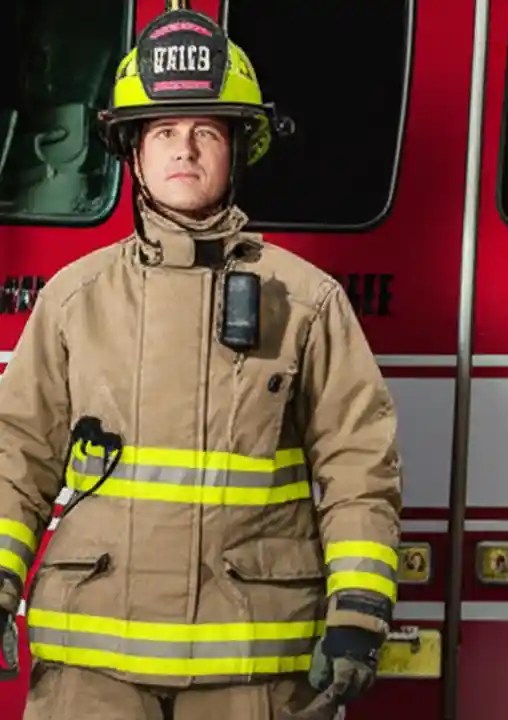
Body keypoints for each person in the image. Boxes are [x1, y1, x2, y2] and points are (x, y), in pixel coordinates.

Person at [0, 7, 403, 719]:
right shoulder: (74, 300)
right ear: (133, 152)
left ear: (238, 149)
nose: (183, 150)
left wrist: (359, 611)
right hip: (92, 673)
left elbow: (359, 467)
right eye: (163, 131)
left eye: (206, 132)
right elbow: (17, 454)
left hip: (249, 667)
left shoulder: (306, 303)